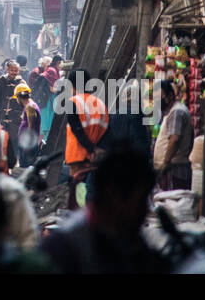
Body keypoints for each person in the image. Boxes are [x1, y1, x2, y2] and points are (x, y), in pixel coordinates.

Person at [39, 145, 168, 273]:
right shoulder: (63, 248)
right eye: (140, 200)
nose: (144, 210)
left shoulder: (136, 248)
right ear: (114, 195)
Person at [63, 69, 110, 202]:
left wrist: (90, 148)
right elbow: (106, 130)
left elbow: (77, 128)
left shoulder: (72, 102)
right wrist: (97, 150)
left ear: (72, 85)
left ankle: (82, 218)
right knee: (93, 190)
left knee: (78, 191)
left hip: (77, 156)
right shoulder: (100, 104)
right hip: (96, 157)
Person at [154, 80, 193, 190]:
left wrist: (165, 163)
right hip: (172, 168)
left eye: (160, 96)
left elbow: (174, 139)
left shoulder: (176, 112)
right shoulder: (172, 112)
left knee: (174, 202)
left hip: (174, 170)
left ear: (170, 95)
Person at [14, 84, 43, 167]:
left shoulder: (30, 107)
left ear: (19, 97)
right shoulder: (29, 106)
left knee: (26, 168)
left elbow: (31, 127)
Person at [0, 60, 25, 131]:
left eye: (16, 70)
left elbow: (25, 101)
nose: (14, 72)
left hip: (16, 117)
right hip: (1, 116)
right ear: (7, 70)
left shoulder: (22, 84)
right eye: (11, 70)